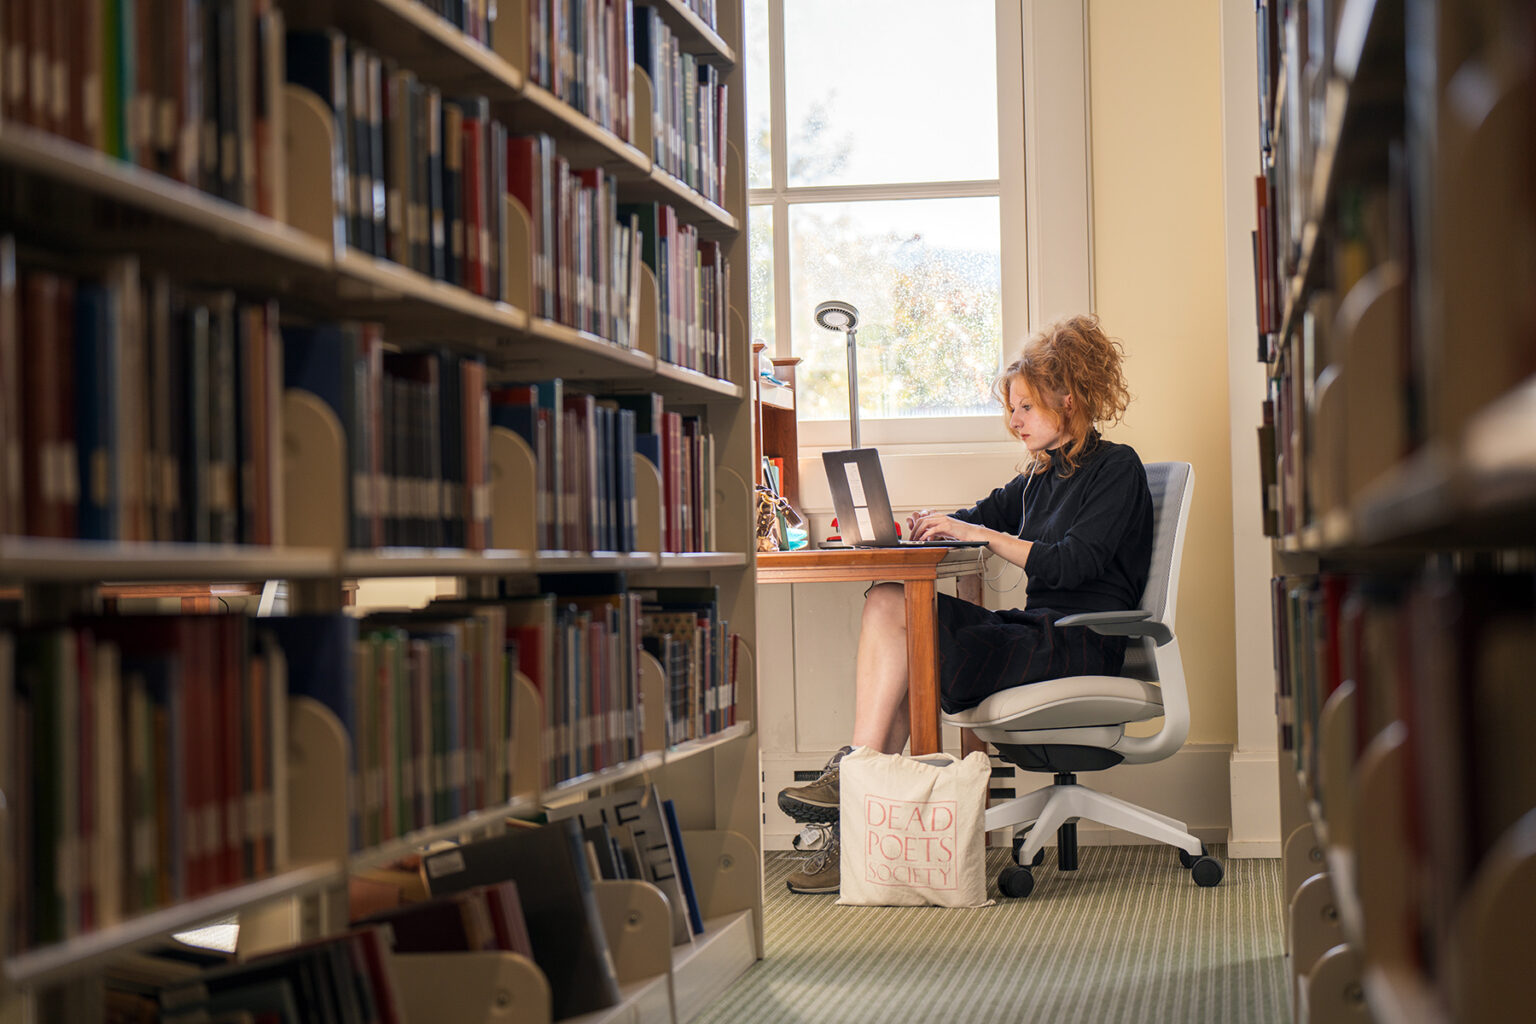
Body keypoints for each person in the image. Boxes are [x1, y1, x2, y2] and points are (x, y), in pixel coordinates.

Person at [778, 313, 1155, 894]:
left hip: (1078, 640)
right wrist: (936, 525)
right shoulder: (1038, 476)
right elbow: (981, 515)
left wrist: (985, 537)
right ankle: (859, 810)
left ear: (1068, 400)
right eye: (1012, 407)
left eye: (1025, 406)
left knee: (909, 631)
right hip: (1034, 635)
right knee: (890, 599)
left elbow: (1072, 562)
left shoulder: (1116, 468)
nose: (1014, 420)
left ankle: (853, 794)